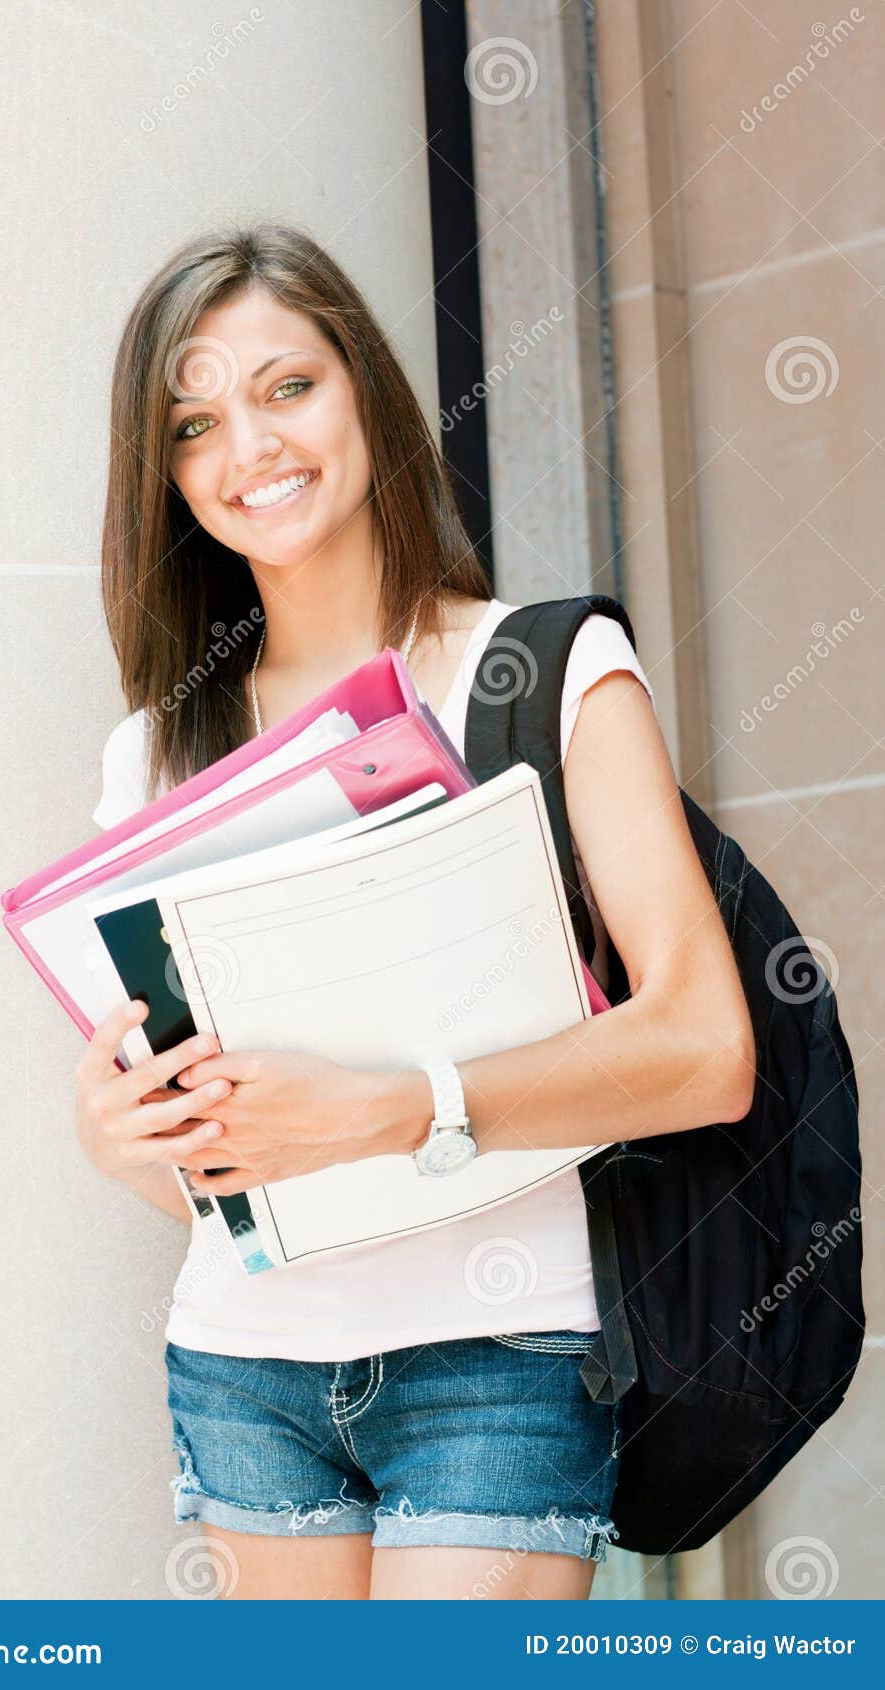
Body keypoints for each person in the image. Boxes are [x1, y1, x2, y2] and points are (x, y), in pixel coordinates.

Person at [74, 223, 755, 1601]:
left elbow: (708, 1048)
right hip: (243, 1367)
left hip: (497, 1362)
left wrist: (399, 1103)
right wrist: (118, 1133)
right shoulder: (153, 749)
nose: (250, 448)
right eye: (195, 423)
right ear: (168, 478)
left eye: (287, 387)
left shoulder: (548, 668)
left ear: (367, 390)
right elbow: (203, 1170)